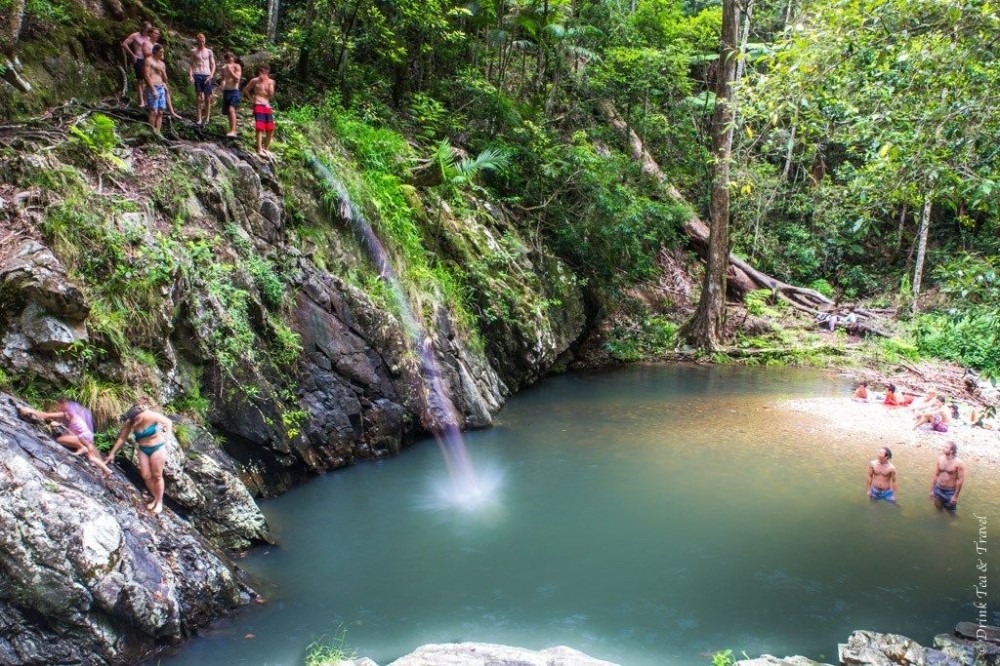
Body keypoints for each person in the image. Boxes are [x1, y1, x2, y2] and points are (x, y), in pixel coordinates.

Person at [18, 398, 113, 477]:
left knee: (60, 440)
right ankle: (106, 470)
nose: (57, 408)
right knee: (91, 457)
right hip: (87, 436)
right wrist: (59, 424)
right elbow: (71, 430)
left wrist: (30, 410)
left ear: (62, 404)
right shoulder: (74, 415)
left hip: (83, 437)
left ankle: (82, 448)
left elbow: (46, 415)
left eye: (58, 405)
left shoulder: (67, 412)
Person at [105, 404, 173, 514]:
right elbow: (122, 438)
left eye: (137, 419)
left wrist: (168, 439)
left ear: (141, 414)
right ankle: (155, 497)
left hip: (157, 448)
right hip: (143, 449)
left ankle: (159, 502)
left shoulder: (150, 415)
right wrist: (112, 453)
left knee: (157, 476)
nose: (135, 421)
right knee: (146, 476)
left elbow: (168, 422)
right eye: (133, 420)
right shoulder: (131, 422)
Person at [243, 65, 275, 157]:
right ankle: (259, 149)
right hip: (258, 103)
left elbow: (271, 94)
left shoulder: (271, 81)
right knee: (260, 127)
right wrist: (251, 100)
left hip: (267, 105)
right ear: (259, 72)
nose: (263, 74)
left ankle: (266, 148)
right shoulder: (254, 80)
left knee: (270, 128)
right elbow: (246, 90)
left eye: (265, 72)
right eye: (262, 72)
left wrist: (268, 84)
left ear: (268, 72)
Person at [121, 21, 154, 108]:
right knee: (140, 80)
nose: (149, 30)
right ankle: (141, 101)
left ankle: (147, 100)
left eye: (150, 29)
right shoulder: (135, 35)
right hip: (138, 58)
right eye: (148, 28)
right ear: (143, 27)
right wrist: (132, 55)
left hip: (147, 60)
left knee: (148, 80)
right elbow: (124, 44)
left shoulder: (149, 37)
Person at [929, 441, 965, 514]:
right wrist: (932, 490)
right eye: (944, 446)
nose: (943, 448)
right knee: (938, 510)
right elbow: (936, 475)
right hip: (938, 488)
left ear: (951, 450)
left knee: (951, 513)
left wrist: (955, 496)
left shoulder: (959, 463)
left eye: (946, 447)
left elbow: (960, 481)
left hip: (950, 491)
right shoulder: (940, 459)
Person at [188, 33, 216, 126]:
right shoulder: (193, 51)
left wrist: (211, 75)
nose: (201, 43)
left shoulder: (209, 51)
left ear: (205, 41)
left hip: (207, 74)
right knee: (199, 96)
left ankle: (207, 117)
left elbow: (213, 65)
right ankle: (199, 118)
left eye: (203, 41)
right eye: (200, 41)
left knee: (207, 97)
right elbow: (191, 65)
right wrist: (190, 76)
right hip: (197, 74)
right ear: (197, 41)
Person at [144, 43, 171, 132]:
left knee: (160, 112)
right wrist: (152, 89)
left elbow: (165, 80)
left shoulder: (162, 64)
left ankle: (158, 132)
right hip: (153, 87)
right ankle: (151, 132)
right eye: (160, 52)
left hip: (161, 87)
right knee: (153, 111)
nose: (162, 54)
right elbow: (146, 76)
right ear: (155, 51)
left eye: (163, 52)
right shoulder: (149, 60)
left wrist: (163, 71)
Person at [218, 51, 242, 137]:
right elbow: (223, 79)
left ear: (233, 58)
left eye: (231, 57)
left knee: (232, 109)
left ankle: (234, 130)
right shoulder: (224, 68)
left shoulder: (237, 66)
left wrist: (230, 70)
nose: (229, 59)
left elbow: (237, 79)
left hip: (234, 91)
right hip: (226, 91)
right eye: (227, 58)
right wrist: (222, 85)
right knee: (228, 112)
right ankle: (231, 130)